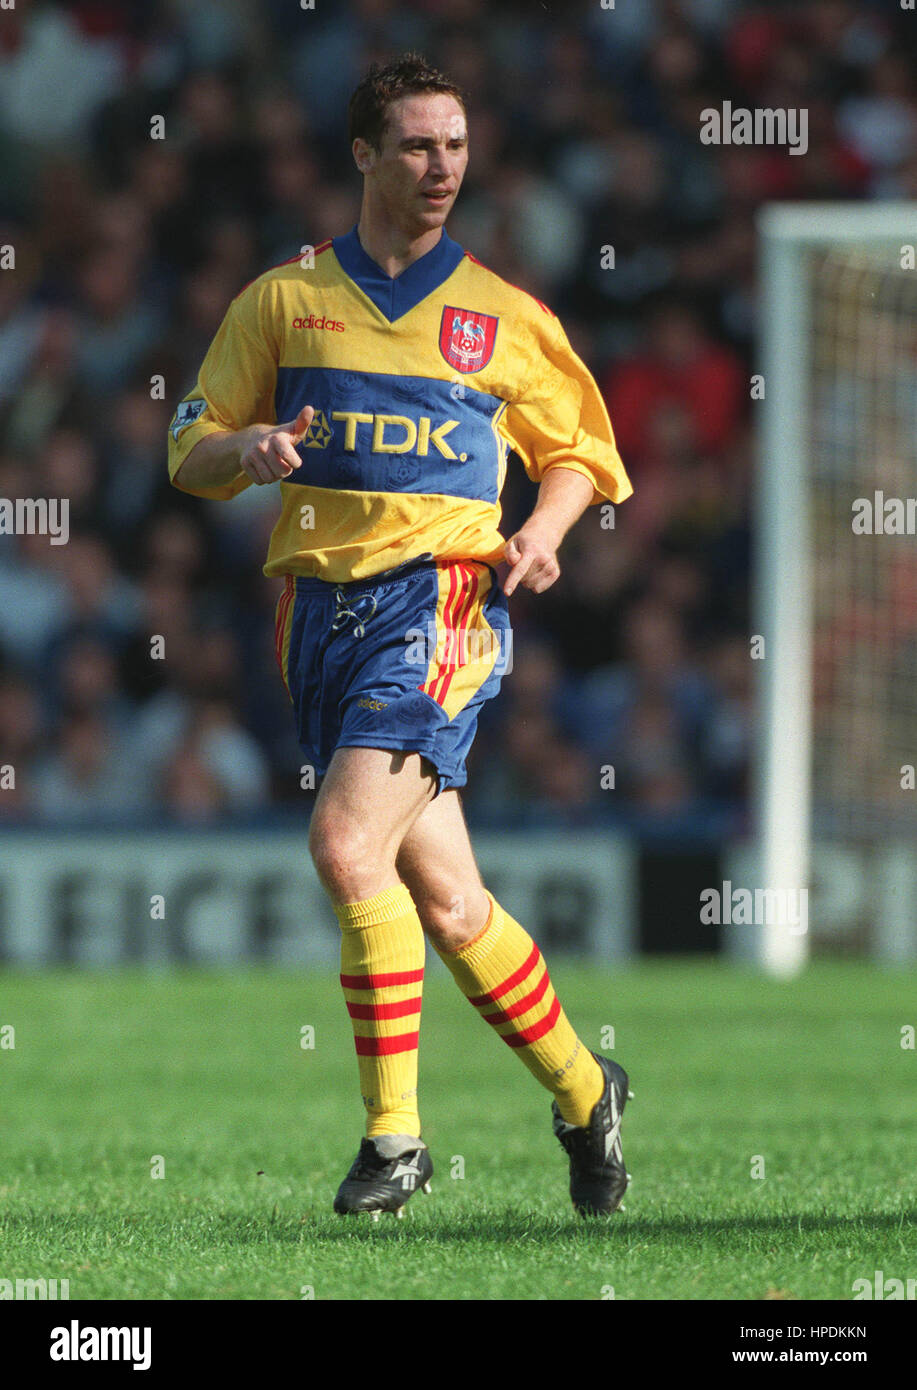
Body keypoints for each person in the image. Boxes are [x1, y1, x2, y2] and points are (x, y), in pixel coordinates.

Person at [167, 53, 634, 1219]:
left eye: (457, 145)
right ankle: (587, 1092)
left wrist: (545, 524)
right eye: (419, 145)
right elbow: (189, 443)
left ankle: (394, 1138)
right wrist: (253, 446)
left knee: (340, 848)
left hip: (440, 603)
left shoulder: (504, 314)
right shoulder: (284, 298)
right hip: (318, 616)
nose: (442, 167)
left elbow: (583, 449)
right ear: (363, 154)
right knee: (451, 905)